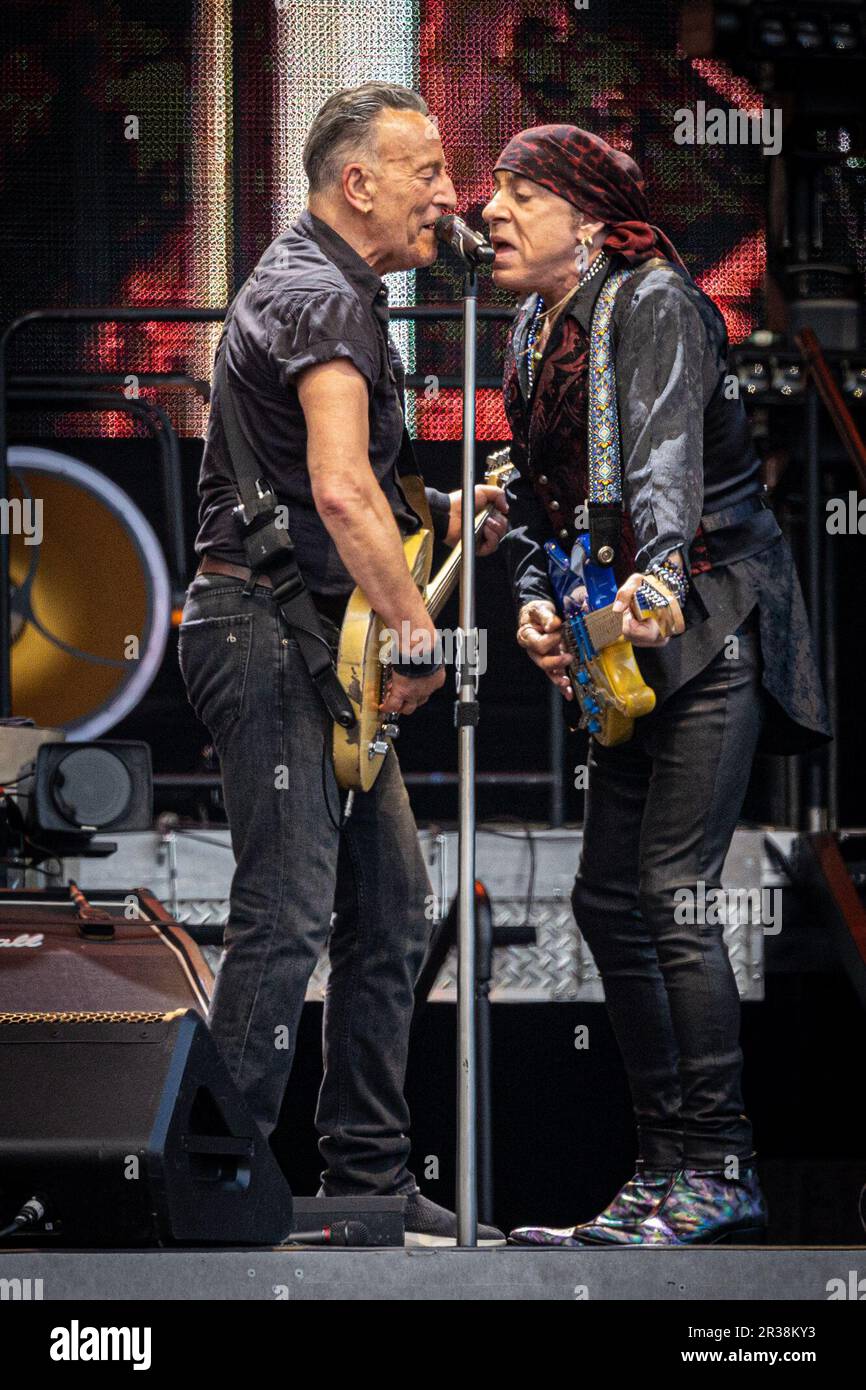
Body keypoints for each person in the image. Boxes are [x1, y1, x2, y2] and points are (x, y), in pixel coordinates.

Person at [483, 124, 831, 1246]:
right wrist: (536, 600)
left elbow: (661, 465)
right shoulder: (533, 329)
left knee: (671, 894)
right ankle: (663, 1172)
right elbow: (539, 504)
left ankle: (719, 1167)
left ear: (583, 216)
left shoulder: (655, 302)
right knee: (605, 900)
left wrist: (656, 571)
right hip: (619, 643)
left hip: (707, 620)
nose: (487, 212)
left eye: (516, 193)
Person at [178, 82, 508, 1246]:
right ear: (354, 181)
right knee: (284, 911)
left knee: (392, 907)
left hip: (313, 635)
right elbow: (334, 485)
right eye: (424, 169)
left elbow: (347, 496)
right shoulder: (322, 296)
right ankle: (208, 1180)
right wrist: (418, 622)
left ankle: (364, 1176)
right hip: (266, 636)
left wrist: (444, 517)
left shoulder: (324, 286)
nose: (449, 193)